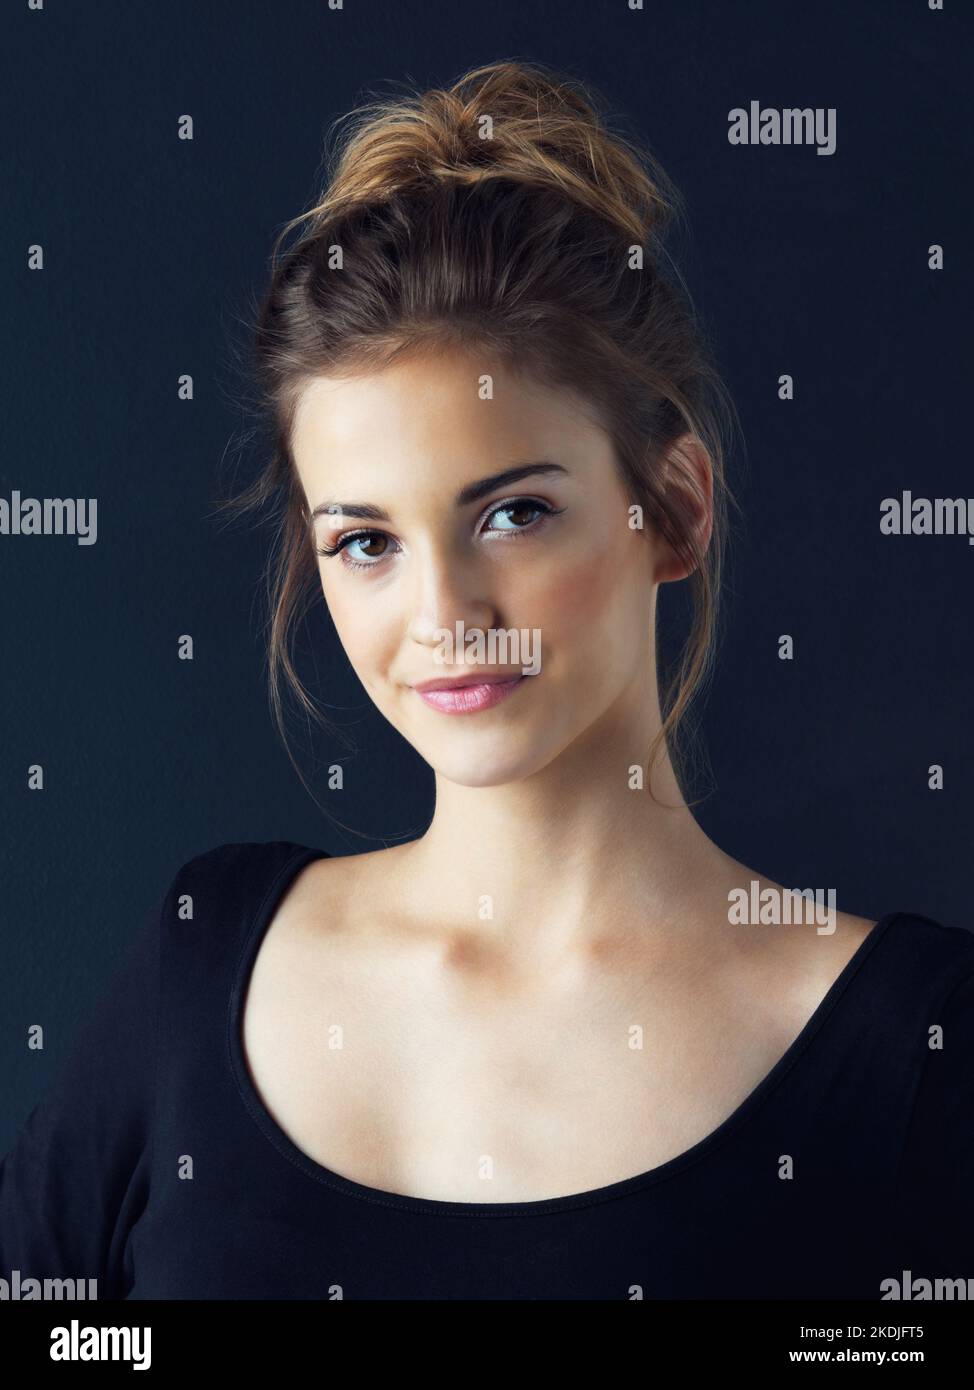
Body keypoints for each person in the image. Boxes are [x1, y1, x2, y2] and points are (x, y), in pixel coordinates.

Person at [2, 60, 971, 1302]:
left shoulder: (906, 1051)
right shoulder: (204, 966)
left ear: (670, 509)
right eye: (365, 542)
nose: (443, 614)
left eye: (512, 513)